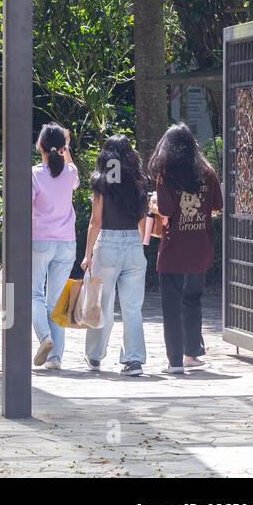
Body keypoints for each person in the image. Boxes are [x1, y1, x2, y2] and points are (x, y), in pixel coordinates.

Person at [147, 123, 222, 374]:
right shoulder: (207, 172)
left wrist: (155, 206)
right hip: (200, 245)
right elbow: (217, 205)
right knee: (193, 300)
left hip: (174, 248)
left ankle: (175, 362)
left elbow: (167, 211)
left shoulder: (166, 175)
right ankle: (192, 354)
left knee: (171, 304)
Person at [82, 134, 151, 377]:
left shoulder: (101, 182)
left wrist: (88, 254)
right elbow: (144, 217)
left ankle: (94, 356)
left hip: (108, 244)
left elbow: (96, 221)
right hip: (133, 243)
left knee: (104, 303)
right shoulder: (139, 181)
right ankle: (133, 361)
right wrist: (140, 244)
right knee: (133, 307)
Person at [31, 123, 78, 370]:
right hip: (67, 242)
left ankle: (45, 338)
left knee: (34, 294)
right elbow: (74, 176)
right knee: (57, 300)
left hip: (40, 240)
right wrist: (66, 147)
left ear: (39, 145)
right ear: (61, 148)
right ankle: (55, 358)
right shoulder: (70, 172)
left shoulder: (35, 174)